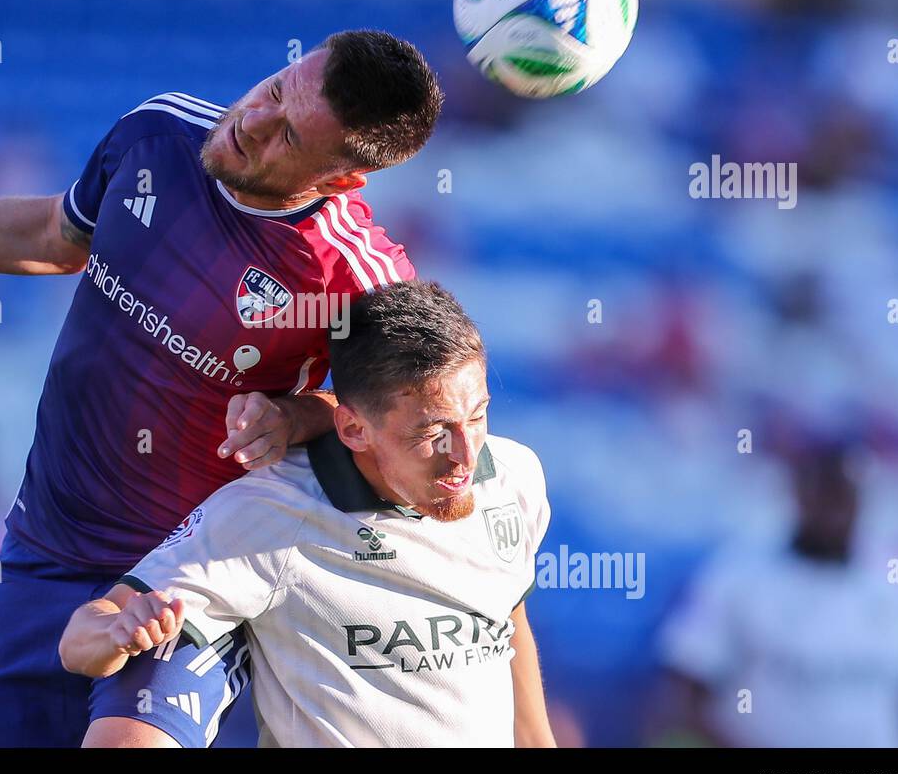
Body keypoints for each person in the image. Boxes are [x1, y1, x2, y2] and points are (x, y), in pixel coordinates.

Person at [0, 30, 443, 747]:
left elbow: (388, 434)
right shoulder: (156, 136)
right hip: (42, 551)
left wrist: (296, 415)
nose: (251, 122)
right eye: (272, 90)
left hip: (183, 578)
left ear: (341, 180)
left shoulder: (361, 279)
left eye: (287, 135)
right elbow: (53, 236)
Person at [59, 280, 558, 747]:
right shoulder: (270, 512)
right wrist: (118, 634)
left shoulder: (516, 476)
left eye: (477, 416)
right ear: (353, 429)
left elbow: (506, 614)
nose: (466, 456)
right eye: (431, 435)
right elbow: (78, 641)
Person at [656, 440, 898, 747]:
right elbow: (685, 688)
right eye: (824, 493)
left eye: (843, 495)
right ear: (798, 494)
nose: (834, 510)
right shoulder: (740, 574)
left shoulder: (897, 579)